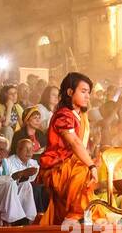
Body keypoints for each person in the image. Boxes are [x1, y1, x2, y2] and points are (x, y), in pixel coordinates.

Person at [38, 71, 97, 223]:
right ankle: (76, 215)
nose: (87, 96)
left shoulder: (81, 116)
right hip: (57, 166)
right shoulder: (64, 115)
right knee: (83, 170)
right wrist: (91, 165)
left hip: (69, 166)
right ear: (70, 92)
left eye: (88, 92)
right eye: (83, 91)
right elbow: (74, 143)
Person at [0, 135, 38, 225]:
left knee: (25, 184)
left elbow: (16, 179)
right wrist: (19, 174)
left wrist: (25, 175)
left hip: (3, 197)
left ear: (7, 152)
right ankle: (11, 220)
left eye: (2, 149)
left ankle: (29, 218)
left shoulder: (6, 162)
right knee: (10, 184)